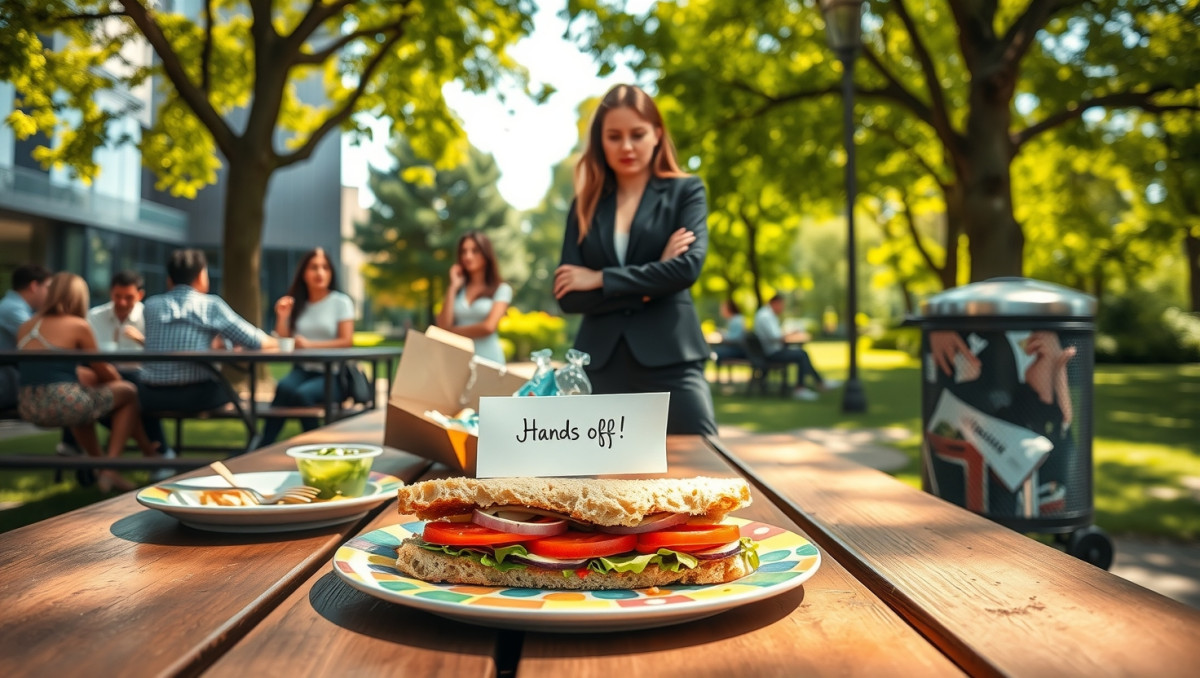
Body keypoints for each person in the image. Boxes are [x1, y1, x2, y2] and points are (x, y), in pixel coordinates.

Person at [554, 84, 716, 435]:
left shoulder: (686, 191)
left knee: (705, 467)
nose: (626, 146)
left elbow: (687, 268)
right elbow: (568, 295)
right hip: (599, 364)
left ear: (657, 134)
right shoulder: (585, 205)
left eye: (637, 134)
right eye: (614, 136)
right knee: (594, 483)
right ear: (601, 141)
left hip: (671, 359)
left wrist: (599, 278)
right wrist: (653, 280)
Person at [16, 273, 161, 492]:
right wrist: (115, 381)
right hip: (61, 402)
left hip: (29, 405)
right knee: (128, 392)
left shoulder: (25, 326)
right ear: (78, 298)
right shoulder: (77, 325)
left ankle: (106, 467)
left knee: (82, 405)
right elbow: (103, 369)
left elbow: (47, 370)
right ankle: (114, 467)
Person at [139, 249, 277, 415]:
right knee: (235, 397)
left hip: (150, 395)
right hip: (195, 395)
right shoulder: (209, 305)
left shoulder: (151, 305)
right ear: (200, 276)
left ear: (170, 280)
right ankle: (255, 437)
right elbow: (254, 340)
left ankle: (159, 442)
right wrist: (280, 341)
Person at [259, 247, 355, 446]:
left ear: (331, 272)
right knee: (284, 388)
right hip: (303, 370)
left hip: (333, 375)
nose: (320, 273)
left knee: (303, 395)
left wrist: (311, 345)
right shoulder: (297, 303)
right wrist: (282, 317)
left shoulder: (341, 302)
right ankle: (262, 445)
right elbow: (283, 339)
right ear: (303, 273)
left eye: (325, 267)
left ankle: (315, 447)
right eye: (313, 267)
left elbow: (347, 341)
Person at [434, 230, 512, 365]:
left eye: (475, 251)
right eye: (463, 252)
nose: (468, 256)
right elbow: (443, 325)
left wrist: (451, 332)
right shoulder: (457, 290)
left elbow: (488, 327)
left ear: (486, 254)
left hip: (489, 361)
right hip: (457, 361)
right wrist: (452, 287)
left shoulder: (502, 289)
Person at [753, 293, 836, 401]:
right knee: (801, 355)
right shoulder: (765, 316)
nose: (782, 308)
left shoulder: (766, 314)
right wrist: (791, 332)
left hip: (771, 350)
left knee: (801, 353)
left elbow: (775, 335)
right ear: (775, 303)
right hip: (771, 353)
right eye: (782, 305)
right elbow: (776, 337)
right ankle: (802, 388)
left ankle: (819, 382)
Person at [0, 264, 53, 409]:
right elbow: (42, 340)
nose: (50, 294)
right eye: (48, 288)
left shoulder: (16, 307)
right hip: (7, 383)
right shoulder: (12, 308)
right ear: (34, 286)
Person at [88, 270, 146, 350]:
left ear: (140, 295)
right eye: (118, 296)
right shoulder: (93, 317)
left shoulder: (148, 318)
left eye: (129, 297)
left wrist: (142, 340)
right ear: (110, 293)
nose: (122, 303)